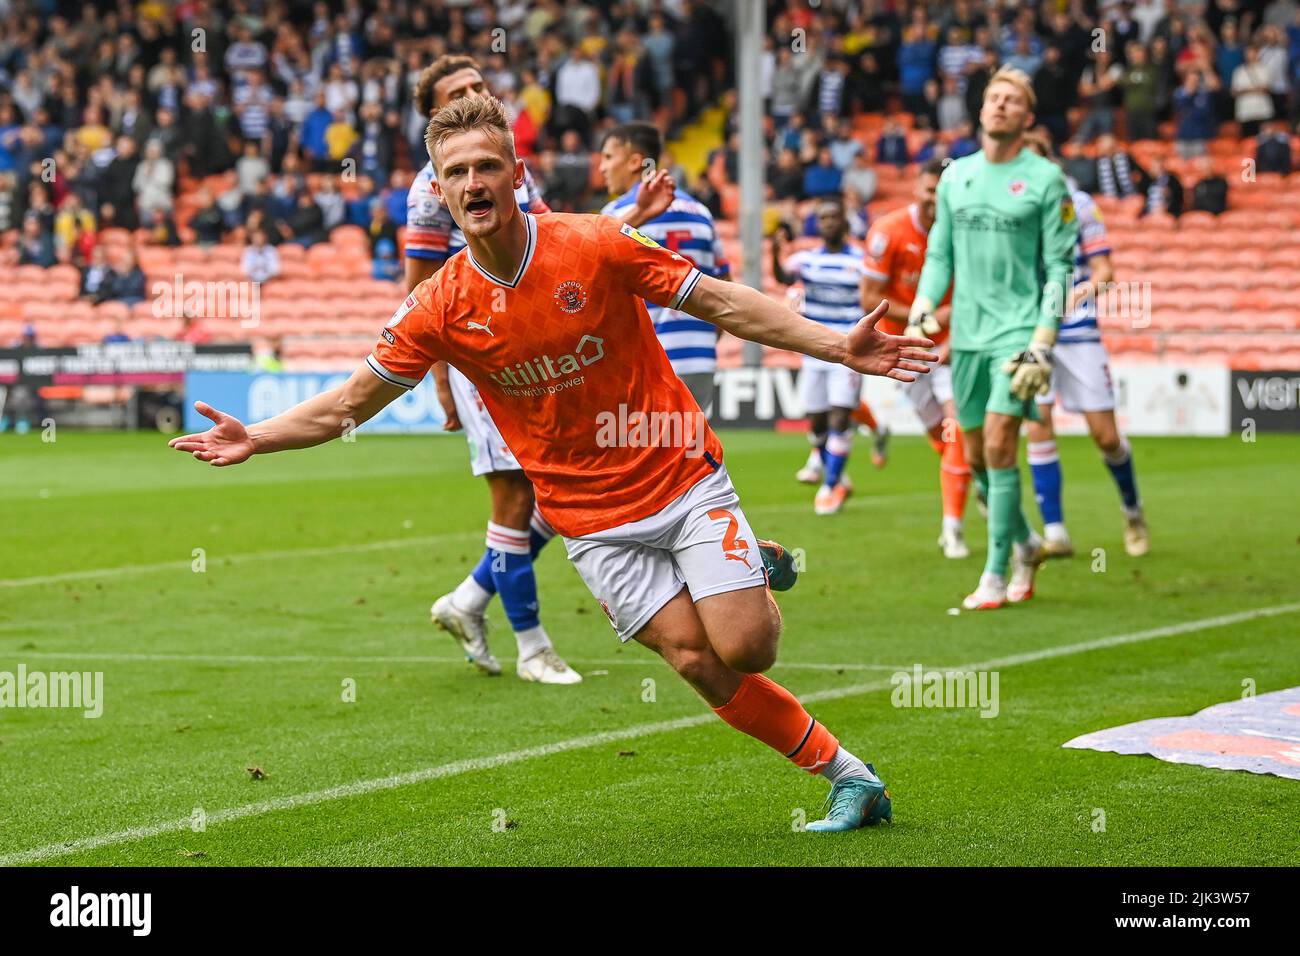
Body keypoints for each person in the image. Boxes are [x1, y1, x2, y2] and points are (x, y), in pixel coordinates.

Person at [170, 94, 937, 832]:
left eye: (487, 166)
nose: (475, 183)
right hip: (590, 521)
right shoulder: (439, 306)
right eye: (457, 173)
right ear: (439, 190)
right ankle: (852, 779)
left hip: (678, 472)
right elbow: (349, 403)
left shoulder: (593, 242)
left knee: (745, 646)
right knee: (696, 660)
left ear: (515, 172)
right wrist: (257, 437)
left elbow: (722, 302)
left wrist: (838, 345)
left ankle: (747, 569)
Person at [402, 54, 574, 684]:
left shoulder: (509, 170)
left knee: (556, 494)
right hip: (483, 358)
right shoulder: (431, 190)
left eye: (478, 84)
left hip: (535, 353)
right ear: (434, 116)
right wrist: (445, 382)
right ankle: (532, 647)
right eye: (459, 91)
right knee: (516, 497)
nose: (477, 92)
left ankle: (470, 601)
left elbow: (555, 243)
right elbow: (420, 296)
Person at [913, 67, 1078, 610]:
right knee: (980, 457)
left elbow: (1059, 267)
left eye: (1012, 100)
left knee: (1004, 443)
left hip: (1018, 333)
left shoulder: (1046, 179)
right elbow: (941, 253)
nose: (1000, 105)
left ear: (1027, 118)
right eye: (993, 97)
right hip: (967, 336)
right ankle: (1027, 543)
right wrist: (920, 309)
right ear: (981, 110)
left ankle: (994, 572)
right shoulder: (957, 175)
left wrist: (1043, 339)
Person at [1022, 132, 1149, 559]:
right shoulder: (1007, 205)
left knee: (1106, 438)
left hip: (1076, 331)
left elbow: (1104, 271)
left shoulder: (1077, 204)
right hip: (1026, 330)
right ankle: (1056, 531)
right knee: (1037, 422)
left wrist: (1071, 298)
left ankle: (1132, 509)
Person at [861, 158, 971, 559]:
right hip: (902, 350)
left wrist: (949, 324)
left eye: (941, 192)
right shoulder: (888, 232)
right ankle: (974, 483)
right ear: (918, 190)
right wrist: (923, 318)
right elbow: (869, 299)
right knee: (943, 436)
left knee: (956, 426)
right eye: (929, 190)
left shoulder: (965, 231)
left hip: (952, 348)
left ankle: (952, 528)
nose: (934, 199)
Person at [598, 122, 726, 415]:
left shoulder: (616, 216)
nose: (602, 167)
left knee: (643, 452)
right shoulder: (702, 213)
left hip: (650, 361)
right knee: (693, 451)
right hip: (700, 357)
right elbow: (723, 283)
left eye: (608, 157)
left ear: (634, 161)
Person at [772, 196, 888, 516]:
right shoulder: (807, 260)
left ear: (845, 223)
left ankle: (830, 485)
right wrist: (774, 249)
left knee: (840, 417)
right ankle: (834, 475)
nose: (829, 223)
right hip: (814, 349)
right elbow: (784, 276)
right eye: (823, 219)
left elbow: (874, 292)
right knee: (817, 423)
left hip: (848, 350)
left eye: (834, 217)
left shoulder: (860, 261)